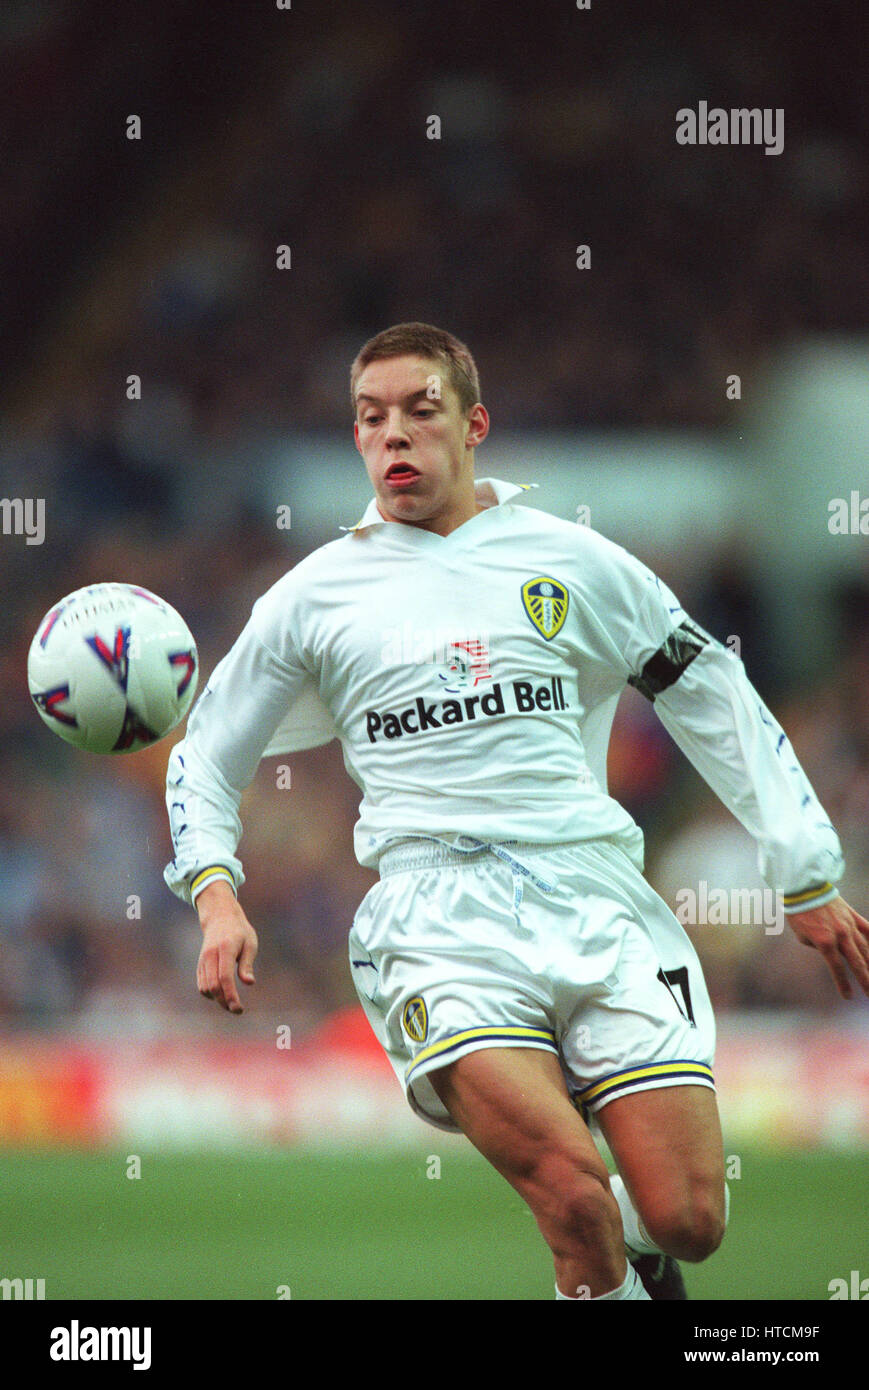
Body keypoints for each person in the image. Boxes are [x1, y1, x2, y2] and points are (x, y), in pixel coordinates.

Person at [164, 322, 869, 1301]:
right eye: (371, 418)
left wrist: (800, 866)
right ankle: (595, 1243)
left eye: (419, 410)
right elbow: (206, 748)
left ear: (473, 423)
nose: (394, 435)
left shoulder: (574, 562)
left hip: (595, 897)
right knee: (570, 1201)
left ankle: (644, 1247)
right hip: (437, 922)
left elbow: (706, 688)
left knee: (687, 1219)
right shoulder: (311, 598)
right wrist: (215, 892)